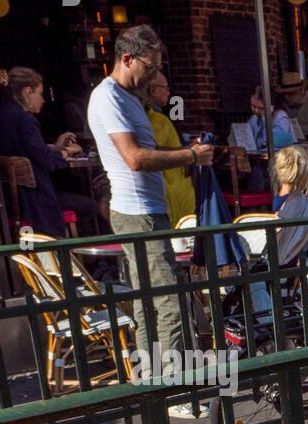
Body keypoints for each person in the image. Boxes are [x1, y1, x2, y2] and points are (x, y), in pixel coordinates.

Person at [88, 24, 214, 365]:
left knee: (150, 300)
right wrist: (189, 156)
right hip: (136, 210)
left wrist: (185, 152)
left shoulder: (129, 98)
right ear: (127, 58)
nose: (155, 74)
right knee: (168, 300)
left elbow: (147, 149)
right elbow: (135, 158)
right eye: (151, 67)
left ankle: (155, 382)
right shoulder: (109, 96)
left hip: (146, 209)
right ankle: (171, 385)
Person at [0, 67, 101, 237]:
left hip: (9, 199)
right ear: (27, 91)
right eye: (40, 94)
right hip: (34, 200)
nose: (43, 100)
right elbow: (48, 162)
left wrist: (55, 146)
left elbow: (24, 149)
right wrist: (67, 152)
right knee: (90, 205)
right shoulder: (24, 119)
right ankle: (80, 254)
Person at [145, 70, 195, 224]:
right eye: (165, 87)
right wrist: (190, 152)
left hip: (174, 185)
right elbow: (154, 149)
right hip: (170, 188)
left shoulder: (157, 117)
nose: (169, 92)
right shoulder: (155, 119)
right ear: (153, 91)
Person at [270, 144, 308, 266]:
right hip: (306, 253)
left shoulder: (279, 202)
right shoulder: (298, 203)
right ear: (305, 176)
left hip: (284, 254)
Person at [279, 72, 308, 137]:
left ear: (302, 90)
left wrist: (294, 129)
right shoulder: (283, 103)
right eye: (284, 94)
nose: (286, 97)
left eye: (291, 93)